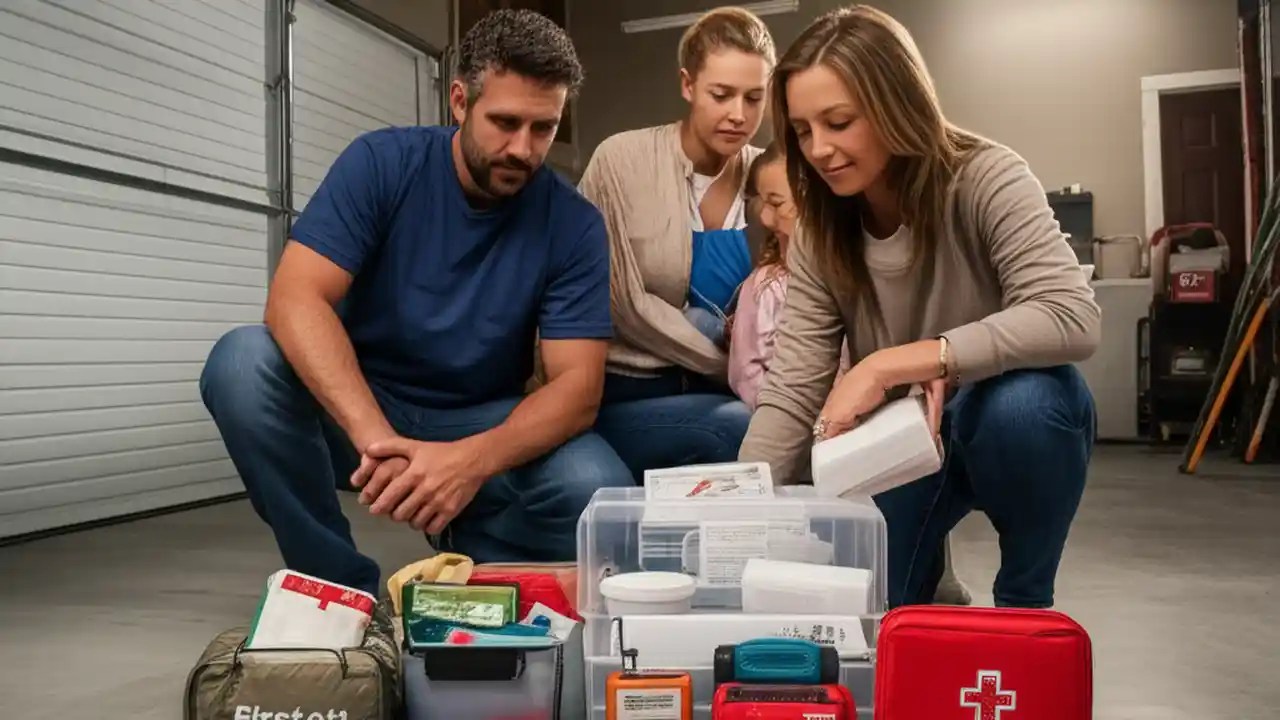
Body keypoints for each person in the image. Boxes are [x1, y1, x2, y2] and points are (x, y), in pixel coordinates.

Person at [198, 9, 633, 598]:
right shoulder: (381, 164)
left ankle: (467, 549)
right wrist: (379, 442)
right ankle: (337, 587)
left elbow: (577, 390)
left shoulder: (574, 225)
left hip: (478, 414)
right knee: (241, 363)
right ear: (459, 101)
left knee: (596, 483)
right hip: (360, 403)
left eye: (543, 128)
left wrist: (465, 465)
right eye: (504, 122)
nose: (523, 149)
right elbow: (295, 299)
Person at [738, 6, 1100, 609]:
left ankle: (1024, 602)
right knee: (870, 611)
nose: (820, 150)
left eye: (840, 122)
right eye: (803, 130)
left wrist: (891, 365)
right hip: (900, 441)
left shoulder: (986, 176)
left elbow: (1069, 313)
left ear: (894, 104)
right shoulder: (820, 233)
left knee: (1026, 407)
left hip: (1003, 417)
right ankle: (931, 585)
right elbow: (792, 389)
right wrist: (736, 509)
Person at [577, 7, 775, 481]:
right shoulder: (621, 160)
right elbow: (622, 302)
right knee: (745, 429)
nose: (738, 115)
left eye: (754, 97)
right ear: (687, 85)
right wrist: (736, 366)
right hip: (632, 390)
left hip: (737, 385)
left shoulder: (770, 175)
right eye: (721, 94)